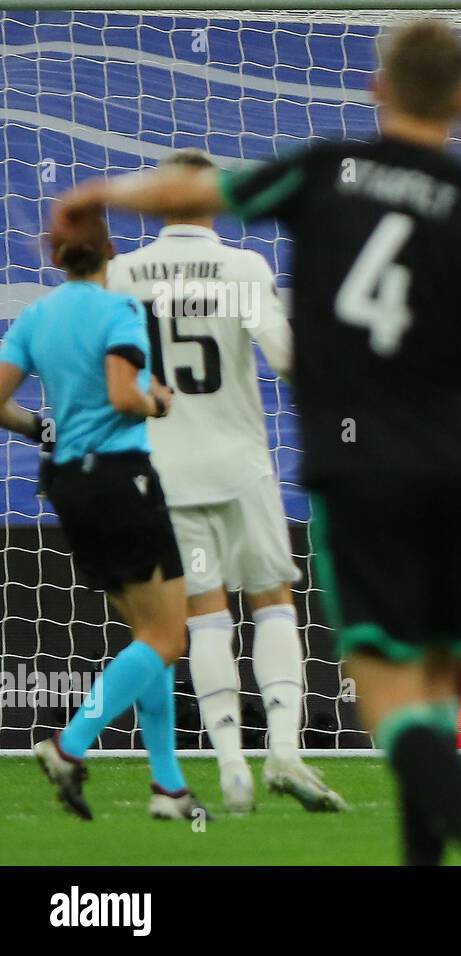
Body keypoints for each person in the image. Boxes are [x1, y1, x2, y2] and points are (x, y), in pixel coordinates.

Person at [55, 19, 461, 864]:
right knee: (439, 676)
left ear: (377, 88)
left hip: (356, 464)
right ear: (457, 102)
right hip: (460, 468)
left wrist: (102, 195)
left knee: (385, 689)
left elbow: (200, 194)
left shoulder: (327, 169)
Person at [107, 148, 345, 814]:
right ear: (214, 200)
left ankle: (231, 764)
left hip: (167, 470)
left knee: (205, 614)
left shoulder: (123, 274)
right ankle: (285, 753)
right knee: (271, 600)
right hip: (239, 466)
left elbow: (111, 383)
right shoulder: (242, 267)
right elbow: (286, 358)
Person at [1, 213, 207, 820]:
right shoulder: (121, 312)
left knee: (150, 637)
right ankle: (70, 744)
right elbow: (123, 395)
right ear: (110, 251)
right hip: (122, 479)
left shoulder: (37, 316)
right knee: (169, 636)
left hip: (68, 483)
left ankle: (168, 788)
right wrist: (157, 401)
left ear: (57, 256)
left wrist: (41, 426)